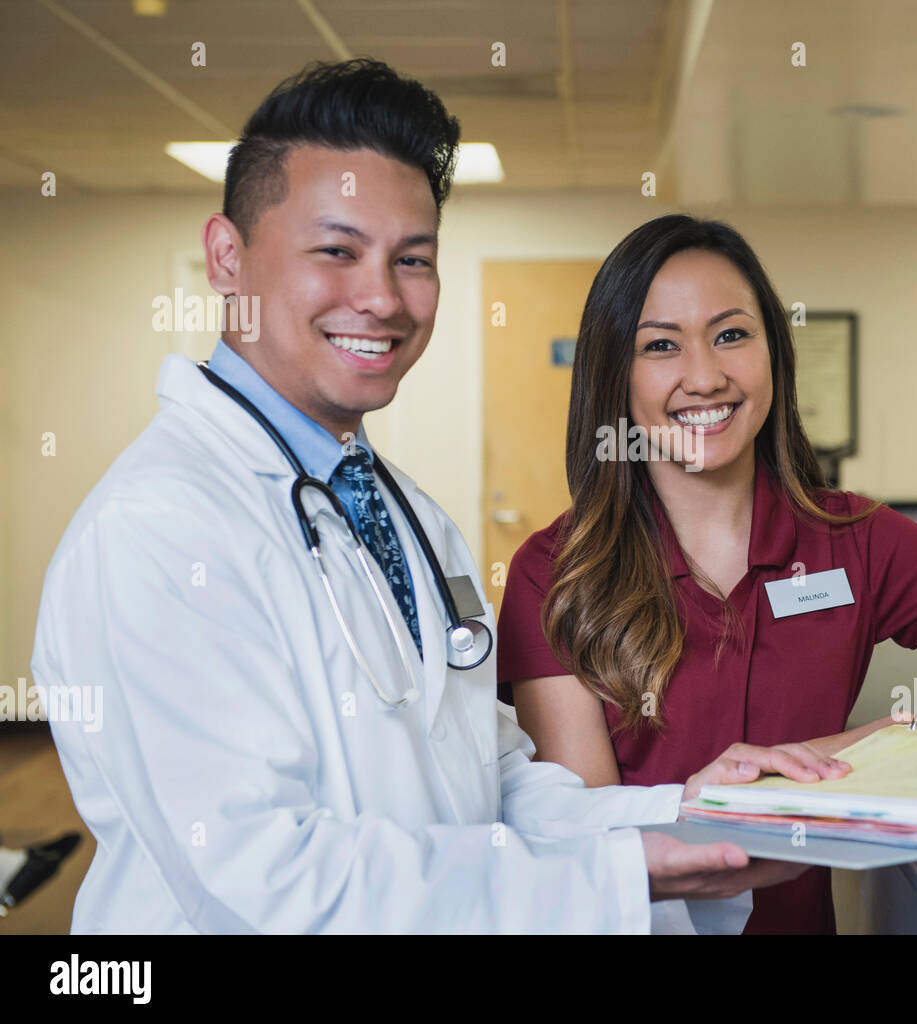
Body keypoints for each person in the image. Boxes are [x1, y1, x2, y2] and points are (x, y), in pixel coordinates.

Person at [28, 60, 835, 935]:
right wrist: (613, 872)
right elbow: (262, 881)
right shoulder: (158, 531)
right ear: (227, 257)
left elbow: (485, 787)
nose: (380, 298)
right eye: (336, 250)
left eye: (412, 259)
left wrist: (680, 821)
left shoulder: (406, 516)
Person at [497, 214, 917, 935]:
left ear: (774, 354)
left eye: (732, 334)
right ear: (615, 375)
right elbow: (592, 844)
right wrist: (861, 754)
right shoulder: (555, 575)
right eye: (661, 346)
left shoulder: (855, 540)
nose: (705, 376)